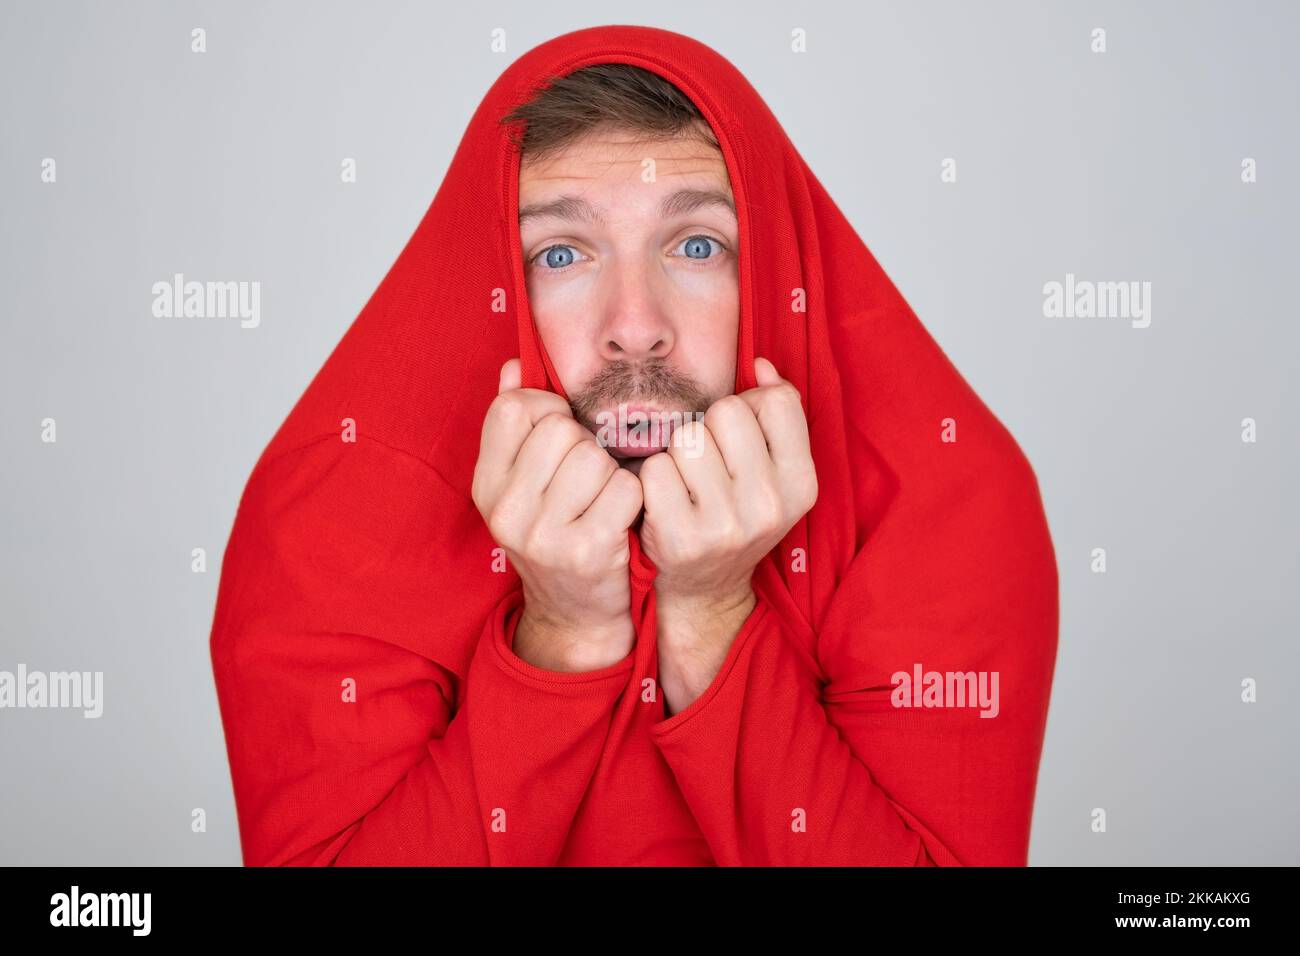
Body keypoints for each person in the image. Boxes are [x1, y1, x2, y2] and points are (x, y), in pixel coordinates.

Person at [210, 25, 1059, 867]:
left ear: (774, 263)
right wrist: (563, 635)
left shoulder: (943, 496)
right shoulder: (337, 507)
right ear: (490, 278)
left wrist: (714, 614)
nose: (636, 329)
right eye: (562, 253)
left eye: (696, 246)